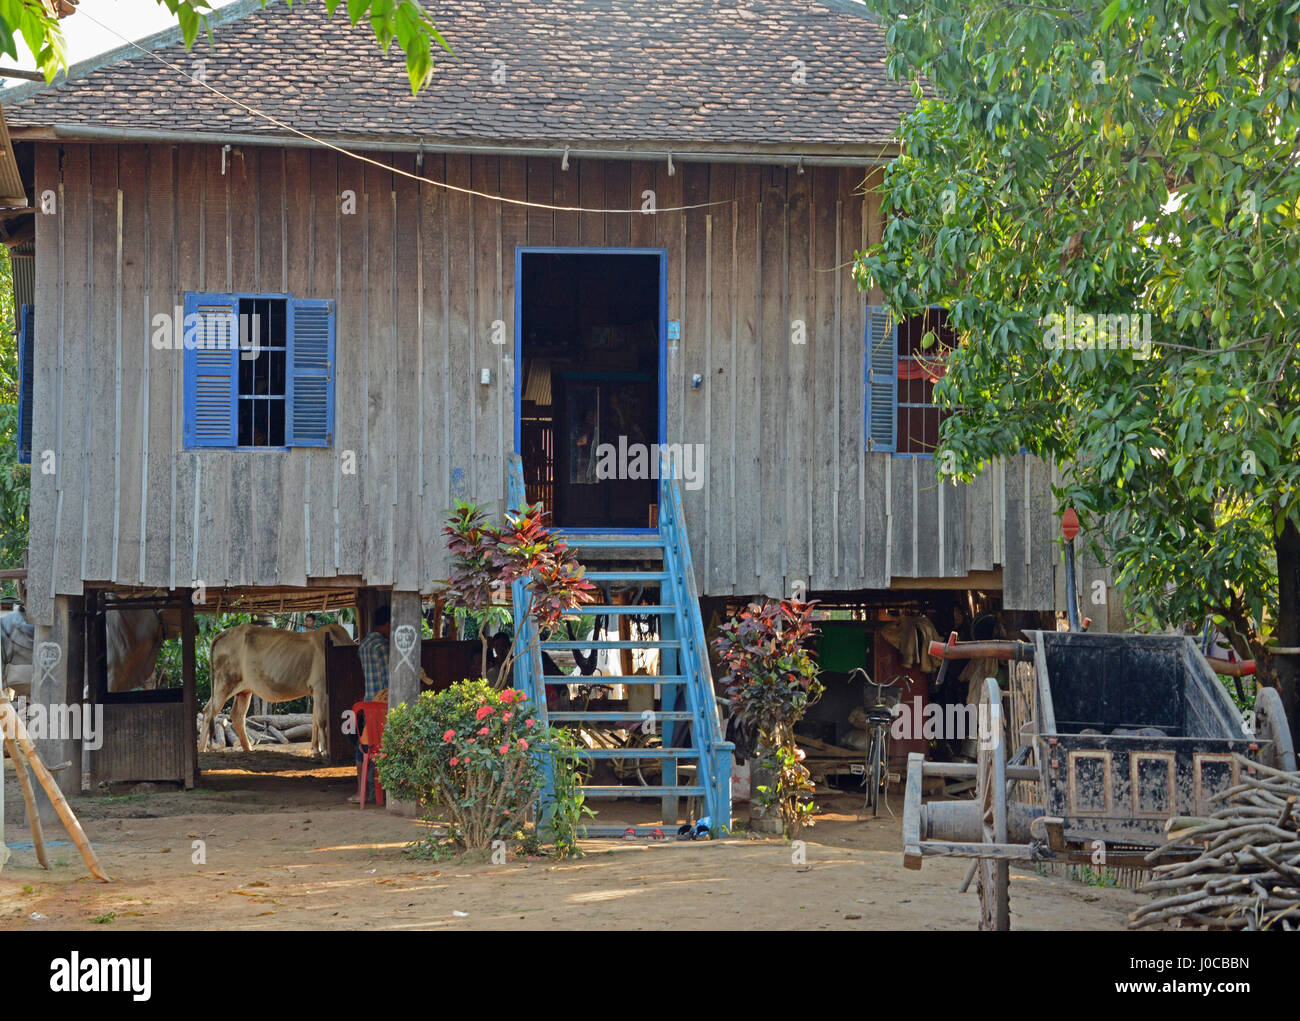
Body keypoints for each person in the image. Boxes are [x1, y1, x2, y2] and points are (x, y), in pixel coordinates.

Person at [349, 605, 390, 803]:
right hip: (383, 704)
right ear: (388, 623)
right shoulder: (383, 646)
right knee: (386, 744)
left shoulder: (364, 644)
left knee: (364, 746)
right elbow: (391, 674)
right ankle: (388, 791)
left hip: (368, 704)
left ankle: (362, 791)